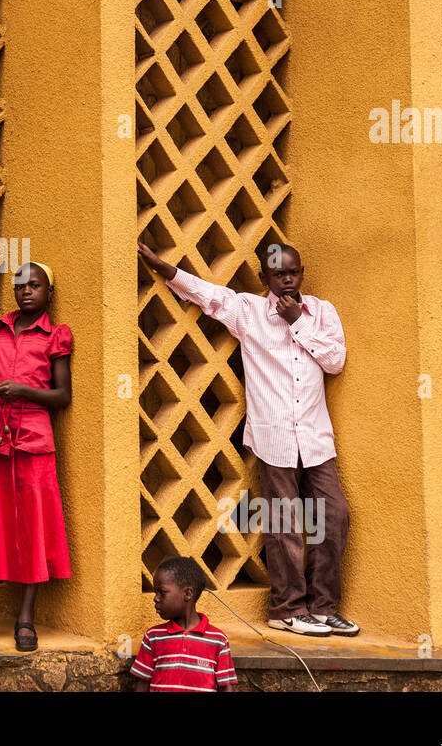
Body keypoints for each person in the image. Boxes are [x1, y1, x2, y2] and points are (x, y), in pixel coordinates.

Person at [138, 240, 356, 636]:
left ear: (301, 272)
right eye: (279, 275)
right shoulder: (250, 311)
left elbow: (335, 361)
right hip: (274, 440)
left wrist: (298, 323)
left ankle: (323, 607)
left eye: (294, 272)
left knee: (334, 517)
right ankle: (287, 609)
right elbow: (206, 295)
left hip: (317, 437)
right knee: (285, 523)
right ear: (264, 278)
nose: (288, 281)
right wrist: (162, 267)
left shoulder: (321, 312)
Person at [0, 262, 73, 652]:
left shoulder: (55, 335)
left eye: (35, 285)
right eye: (20, 285)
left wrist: (22, 391)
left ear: (48, 293)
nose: (26, 291)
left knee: (33, 525)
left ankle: (26, 617)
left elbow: (62, 397)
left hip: (34, 440)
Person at [130, 556, 237, 691]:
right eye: (155, 592)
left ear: (187, 593)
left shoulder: (218, 640)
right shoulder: (153, 636)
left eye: (162, 592)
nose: (155, 598)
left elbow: (226, 687)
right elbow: (142, 684)